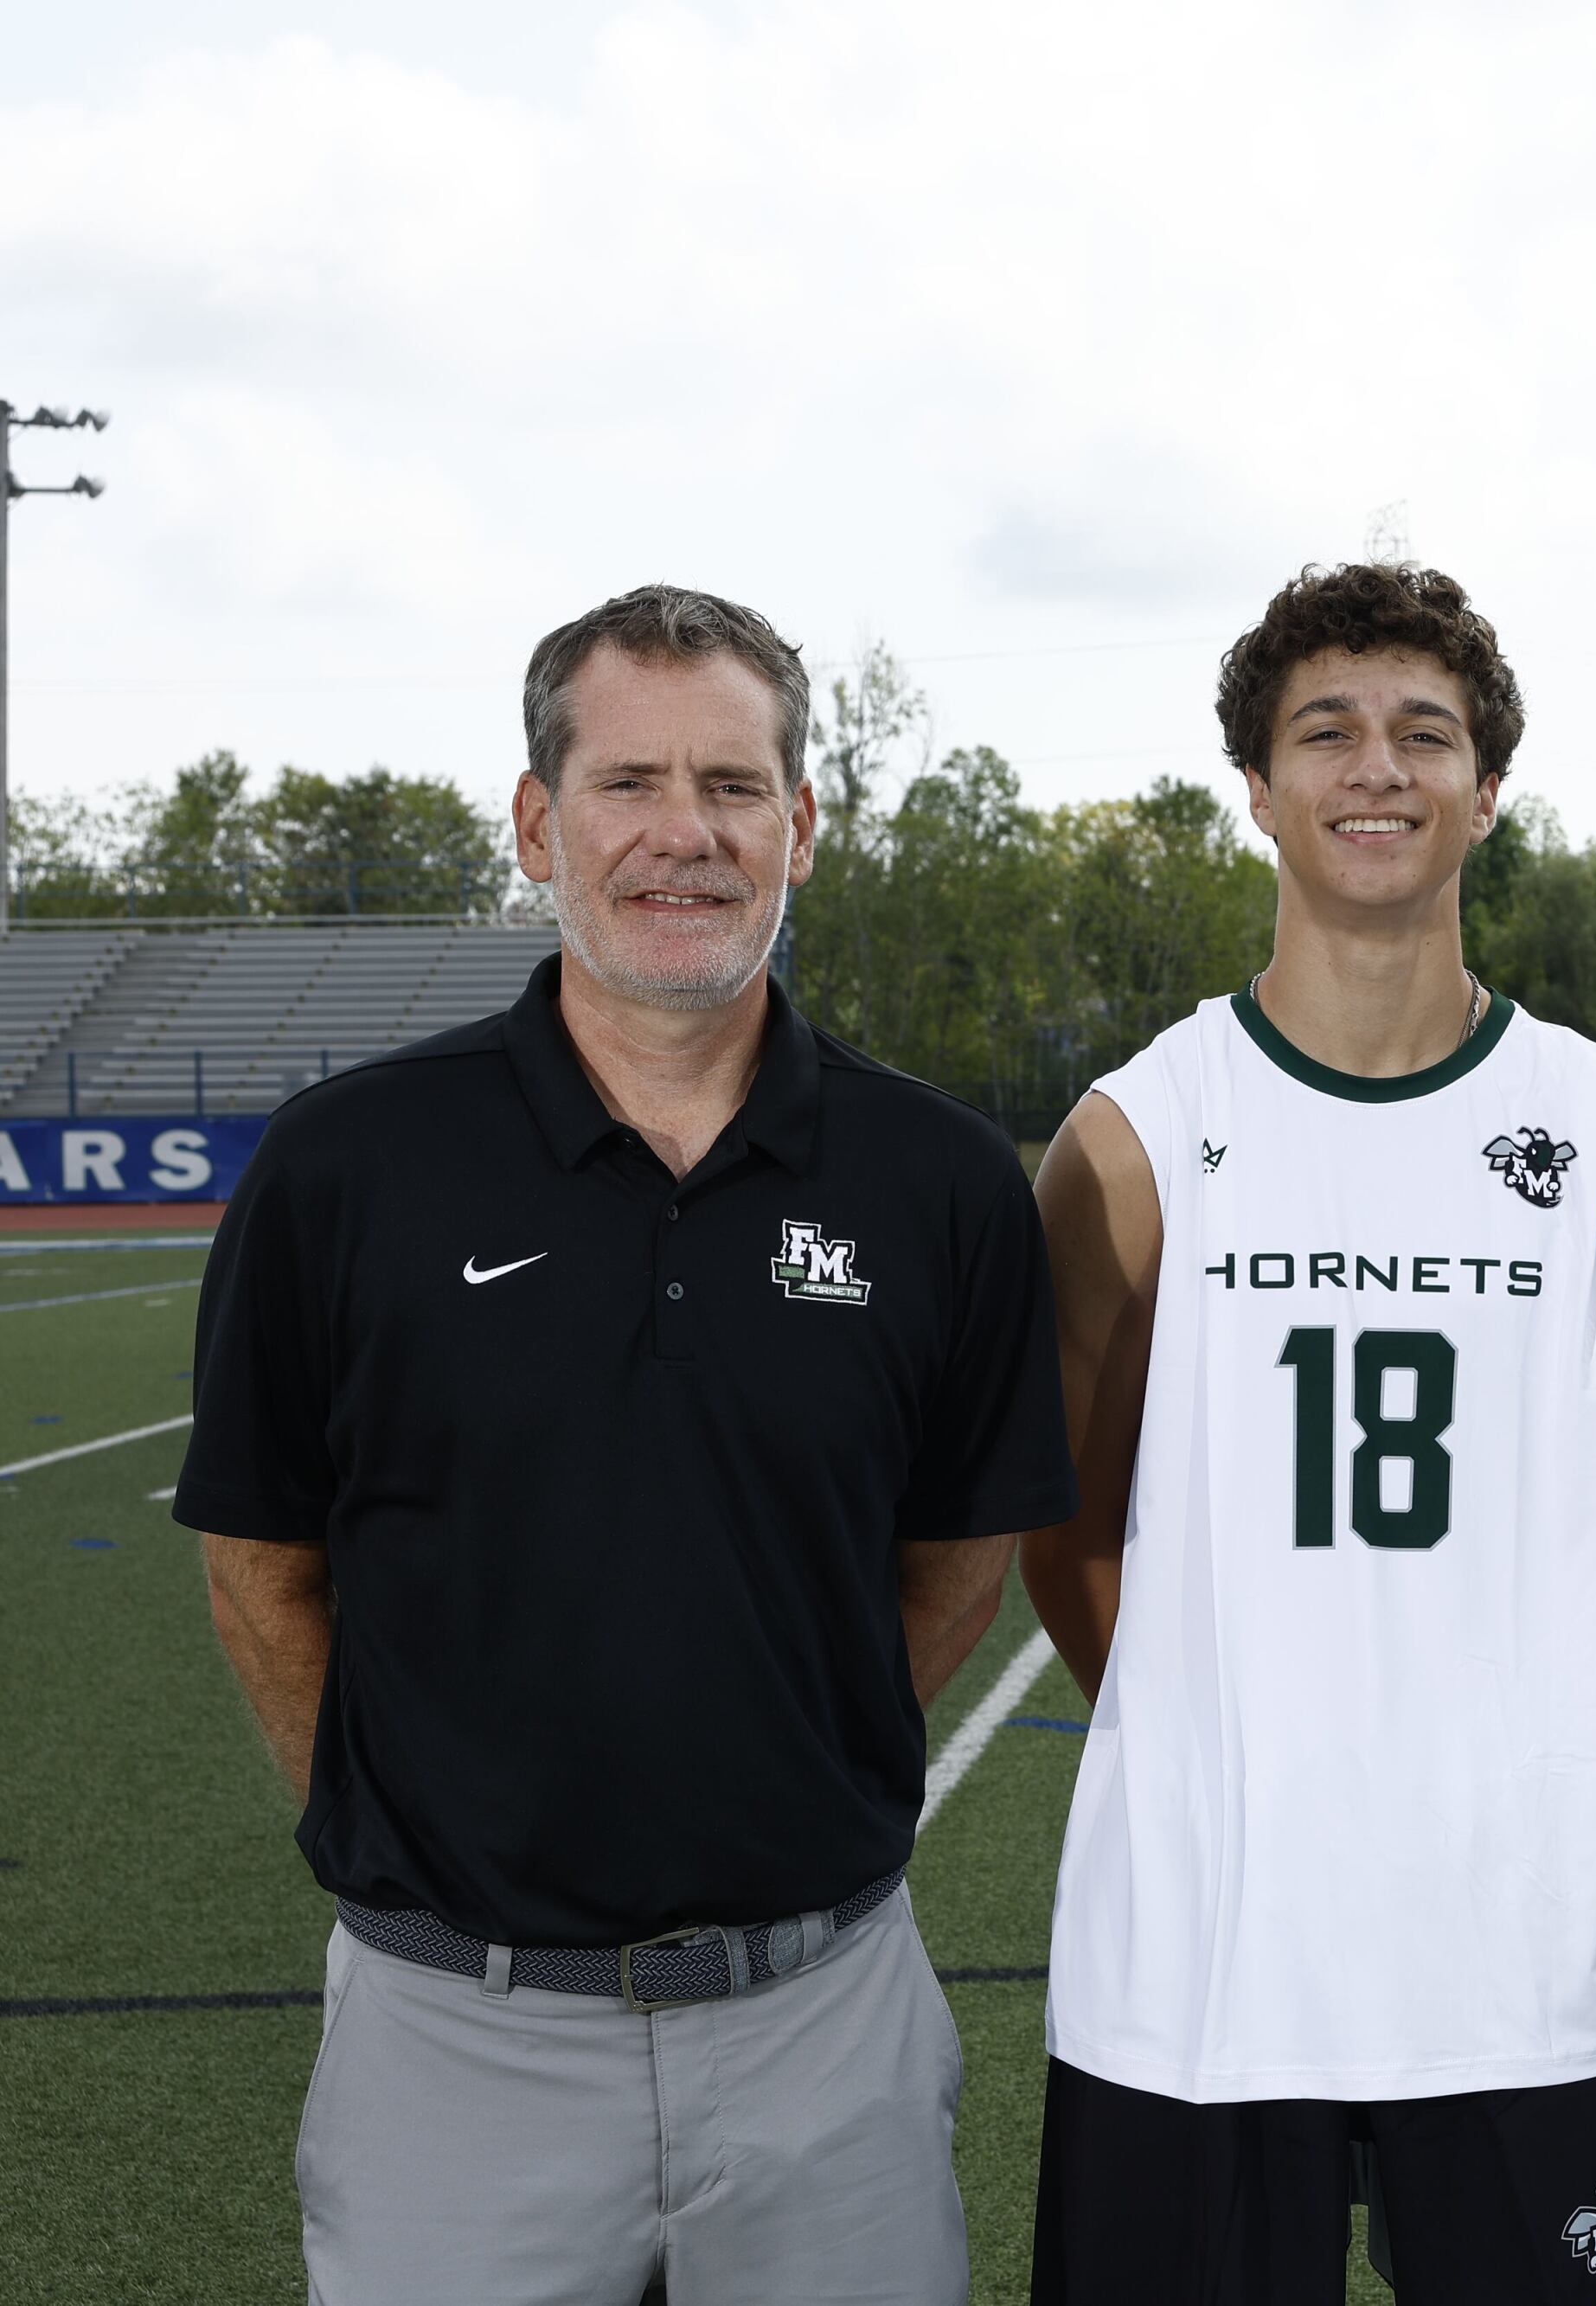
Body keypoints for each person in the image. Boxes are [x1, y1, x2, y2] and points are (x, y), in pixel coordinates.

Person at [184, 582, 1079, 2305]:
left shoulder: (941, 1183)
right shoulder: (346, 1167)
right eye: (630, 783)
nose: (688, 833)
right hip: (457, 2037)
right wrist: (420, 1844)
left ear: (800, 826)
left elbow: (960, 1558)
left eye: (734, 786)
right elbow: (261, 1569)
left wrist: (787, 1749)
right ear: (539, 823)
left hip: (824, 2029)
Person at [1020, 562, 1596, 2303]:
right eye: (1325, 731)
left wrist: (1490, 1735)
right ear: (1258, 788)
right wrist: (1231, 1741)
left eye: (1424, 732)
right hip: (1203, 1954)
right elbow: (1064, 1531)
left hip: (1512, 1948)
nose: (1377, 767)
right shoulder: (1136, 1136)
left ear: (1488, 786)